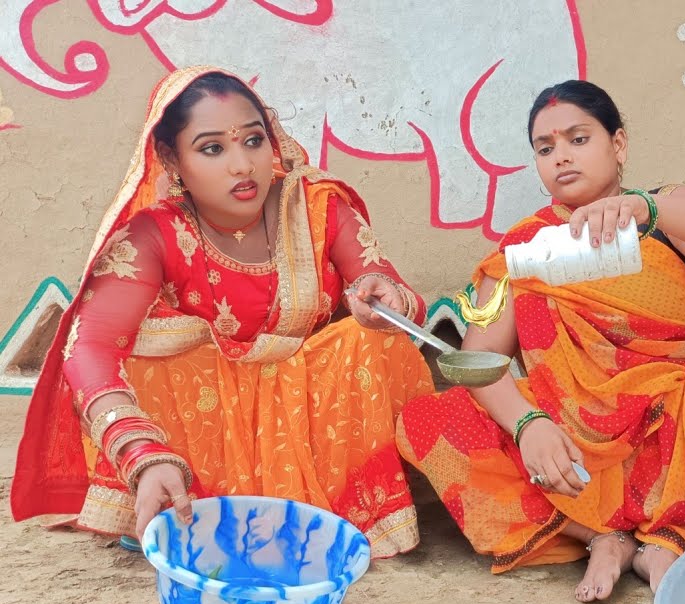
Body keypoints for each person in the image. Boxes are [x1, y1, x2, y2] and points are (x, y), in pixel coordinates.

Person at [397, 80, 685, 602]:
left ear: (619, 145)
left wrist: (645, 210)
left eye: (578, 139)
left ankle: (670, 535)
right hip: (575, 445)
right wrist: (527, 424)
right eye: (545, 148)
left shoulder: (664, 211)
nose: (561, 156)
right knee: (427, 422)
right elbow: (478, 360)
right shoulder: (524, 248)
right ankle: (600, 537)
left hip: (678, 423)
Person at [11, 67, 435, 558]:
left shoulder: (319, 207)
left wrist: (384, 300)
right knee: (139, 357)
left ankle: (342, 504)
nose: (242, 165)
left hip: (308, 409)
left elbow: (398, 296)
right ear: (171, 158)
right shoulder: (154, 233)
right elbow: (89, 347)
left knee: (375, 341)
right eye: (213, 148)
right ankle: (169, 487)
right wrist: (141, 454)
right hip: (206, 423)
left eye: (253, 141)